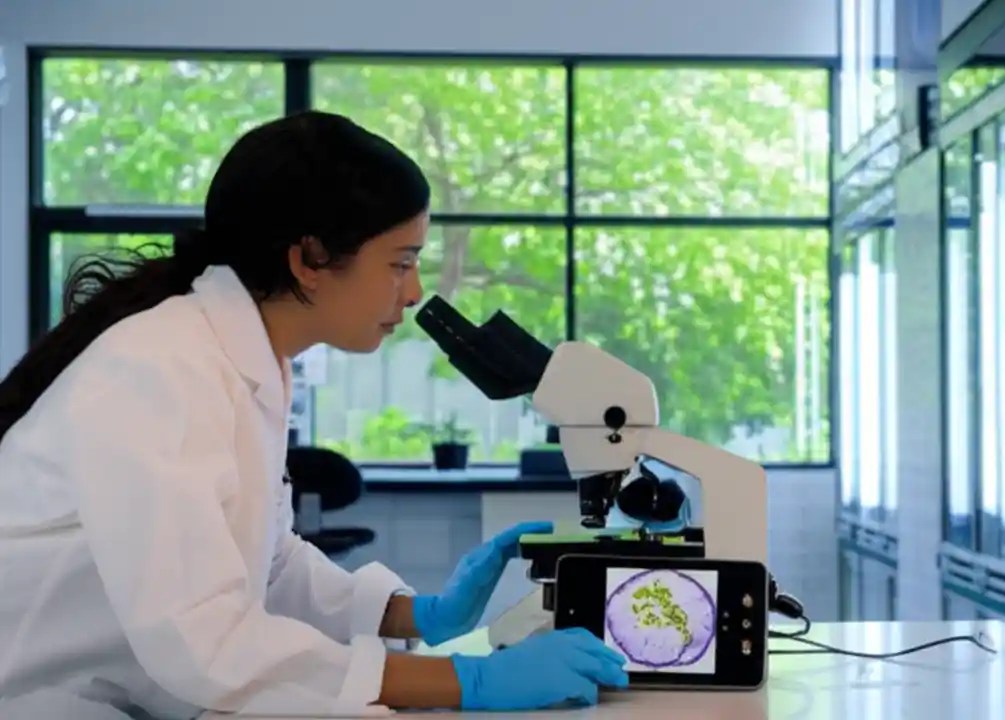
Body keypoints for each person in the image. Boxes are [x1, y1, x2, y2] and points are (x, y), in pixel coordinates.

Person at [0, 111, 628, 719]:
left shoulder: (248, 363)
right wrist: (469, 680)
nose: (412, 293)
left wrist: (420, 613)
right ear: (309, 260)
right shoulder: (159, 370)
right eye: (400, 262)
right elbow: (208, 641)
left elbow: (266, 567)